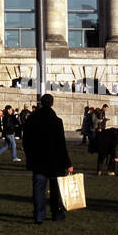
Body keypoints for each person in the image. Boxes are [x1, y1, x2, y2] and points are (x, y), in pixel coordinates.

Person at [22, 94, 74, 224]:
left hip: (38, 161)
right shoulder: (56, 121)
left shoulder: (31, 120)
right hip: (55, 162)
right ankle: (56, 214)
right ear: (52, 103)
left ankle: (39, 215)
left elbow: (26, 142)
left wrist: (29, 157)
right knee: (55, 190)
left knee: (38, 189)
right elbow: (61, 144)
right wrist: (68, 163)